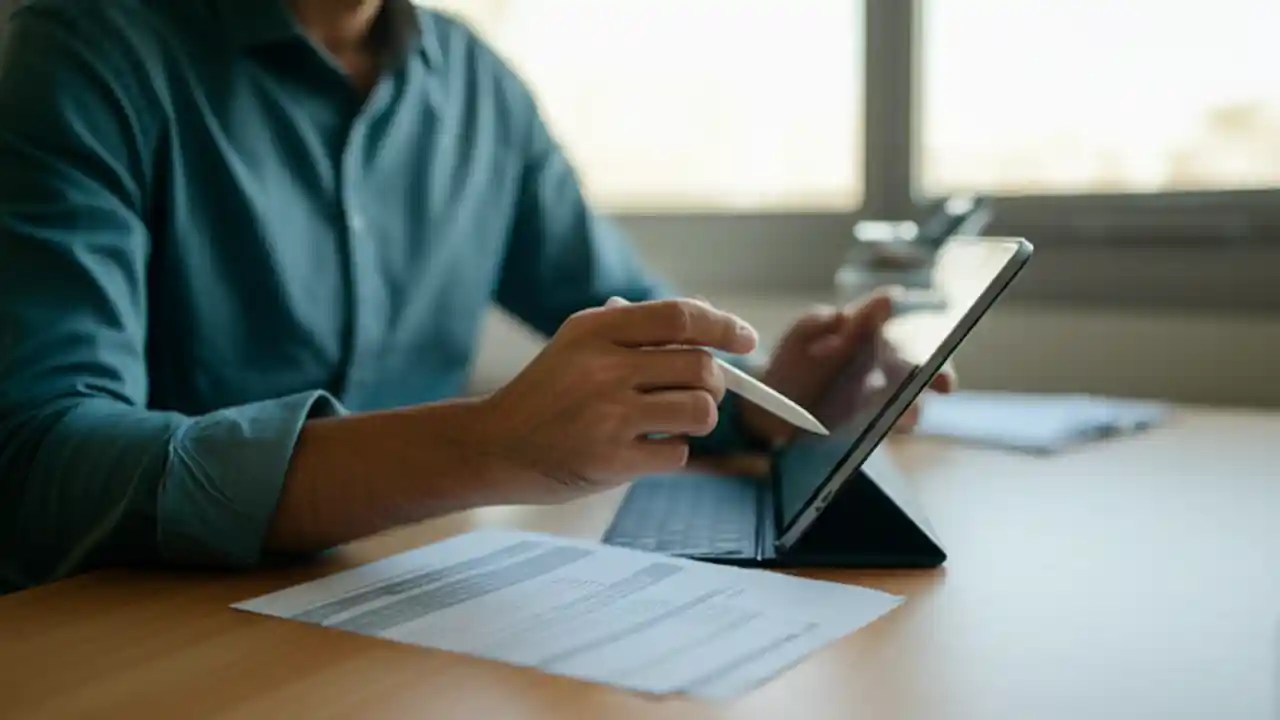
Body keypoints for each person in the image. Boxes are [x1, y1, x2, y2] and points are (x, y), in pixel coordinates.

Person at [0, 0, 949, 593]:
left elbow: (638, 333)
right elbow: (39, 460)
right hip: (144, 631)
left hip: (398, 611)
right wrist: (482, 447)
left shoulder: (479, 89)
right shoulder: (81, 55)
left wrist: (765, 401)